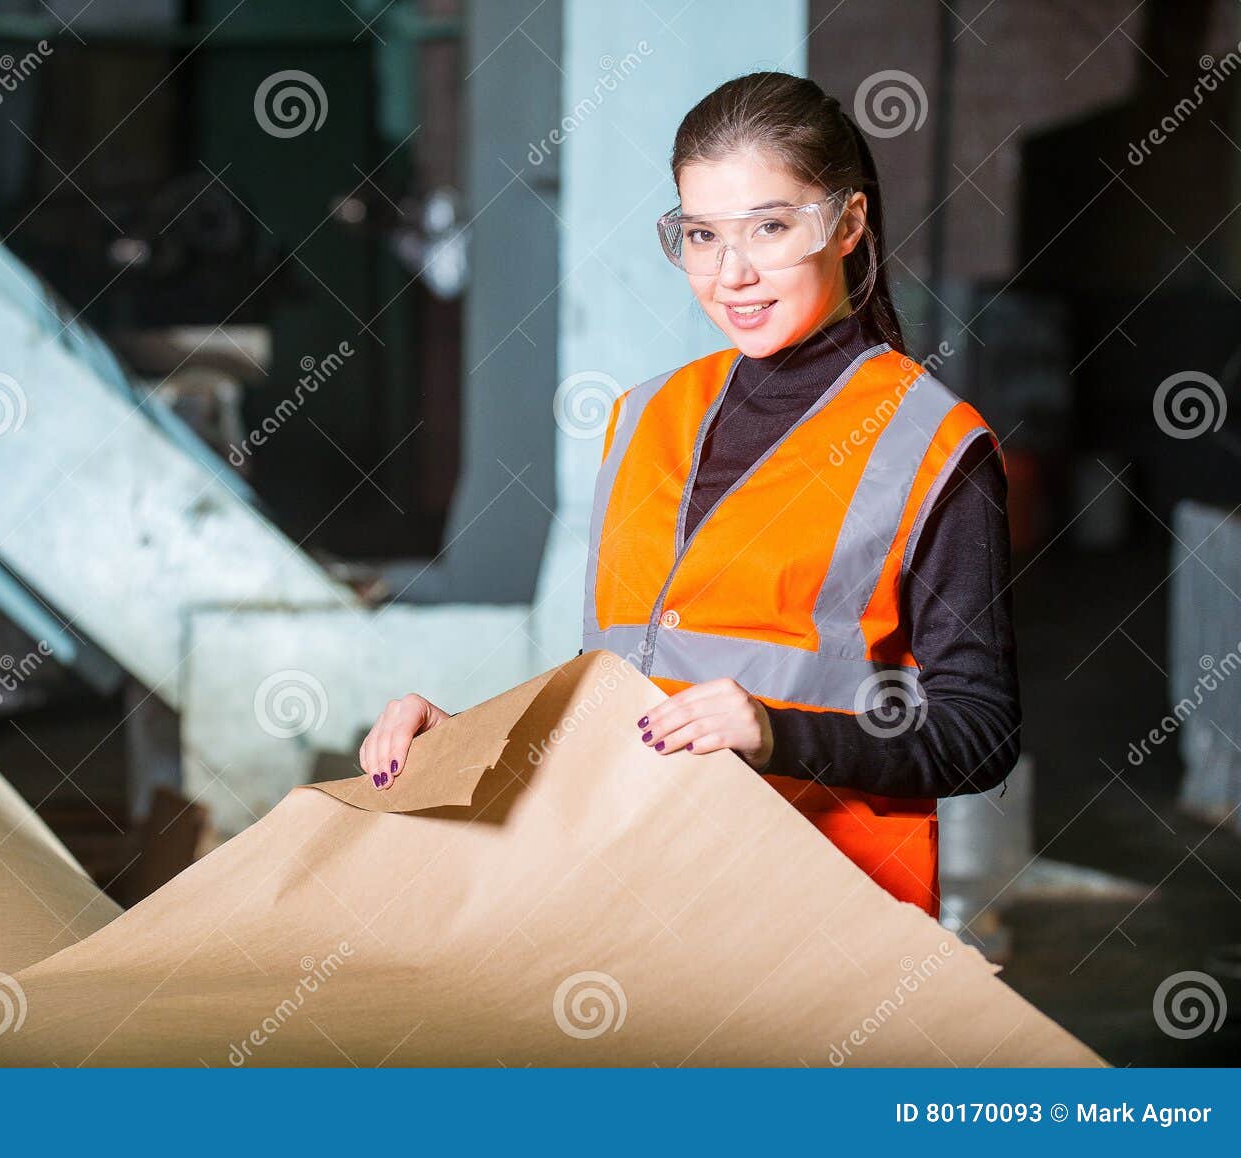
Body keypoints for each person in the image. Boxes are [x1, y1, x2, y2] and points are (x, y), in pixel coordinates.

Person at [356, 71, 1019, 918]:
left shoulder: (933, 446)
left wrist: (780, 733)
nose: (732, 273)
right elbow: (624, 691)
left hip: (826, 925)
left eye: (771, 227)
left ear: (848, 223)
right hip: (640, 900)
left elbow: (980, 732)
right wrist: (471, 748)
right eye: (702, 235)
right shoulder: (644, 418)